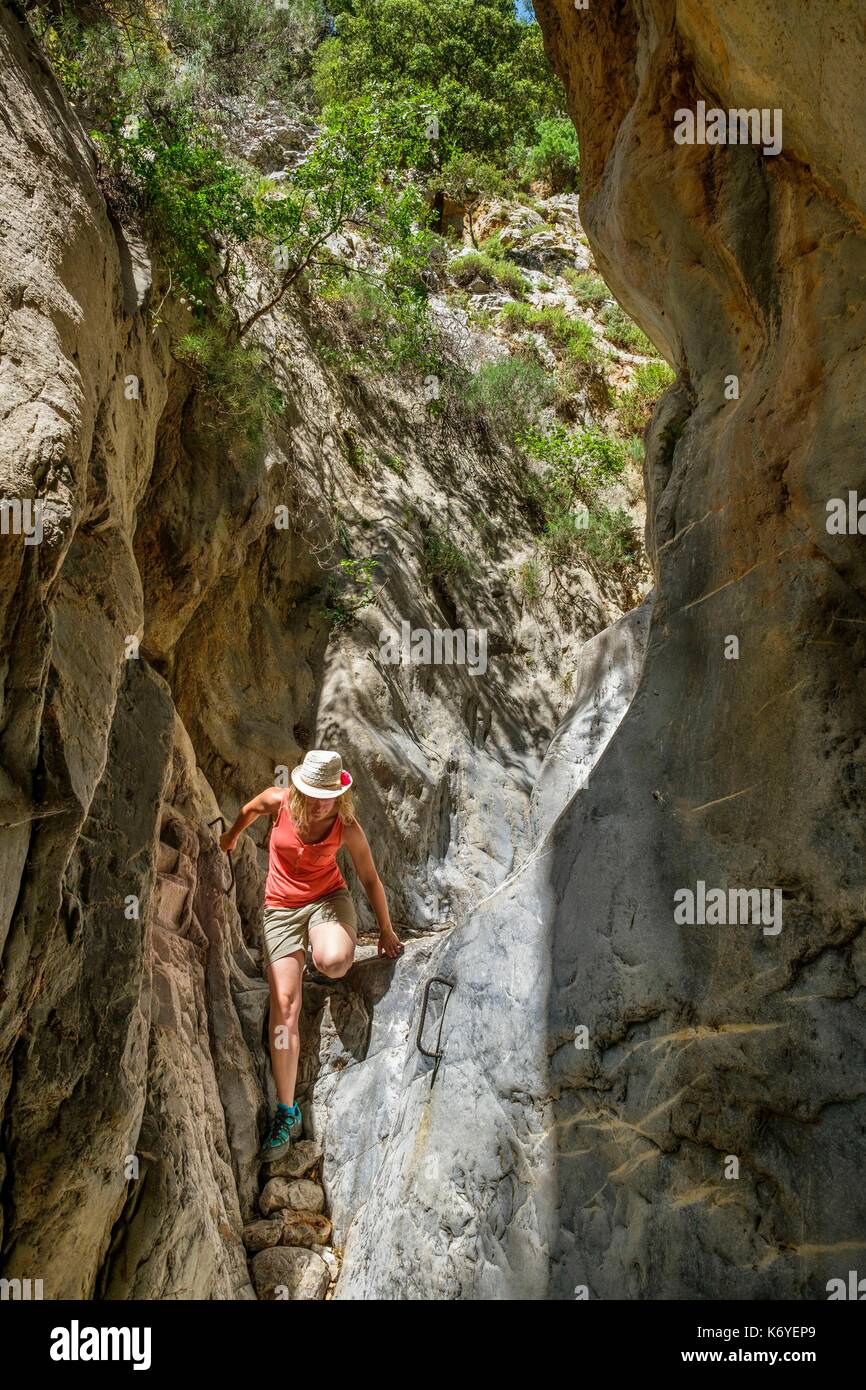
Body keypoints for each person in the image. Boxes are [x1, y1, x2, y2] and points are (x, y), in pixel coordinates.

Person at [219, 749, 404, 1160]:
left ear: (340, 793)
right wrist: (232, 837)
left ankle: (318, 951)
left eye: (328, 795)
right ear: (301, 788)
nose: (322, 802)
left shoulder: (346, 826)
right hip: (280, 910)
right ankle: (287, 1113)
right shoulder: (278, 802)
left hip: (327, 901)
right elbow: (249, 809)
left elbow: (370, 879)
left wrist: (386, 932)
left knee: (334, 963)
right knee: (285, 1003)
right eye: (315, 793)